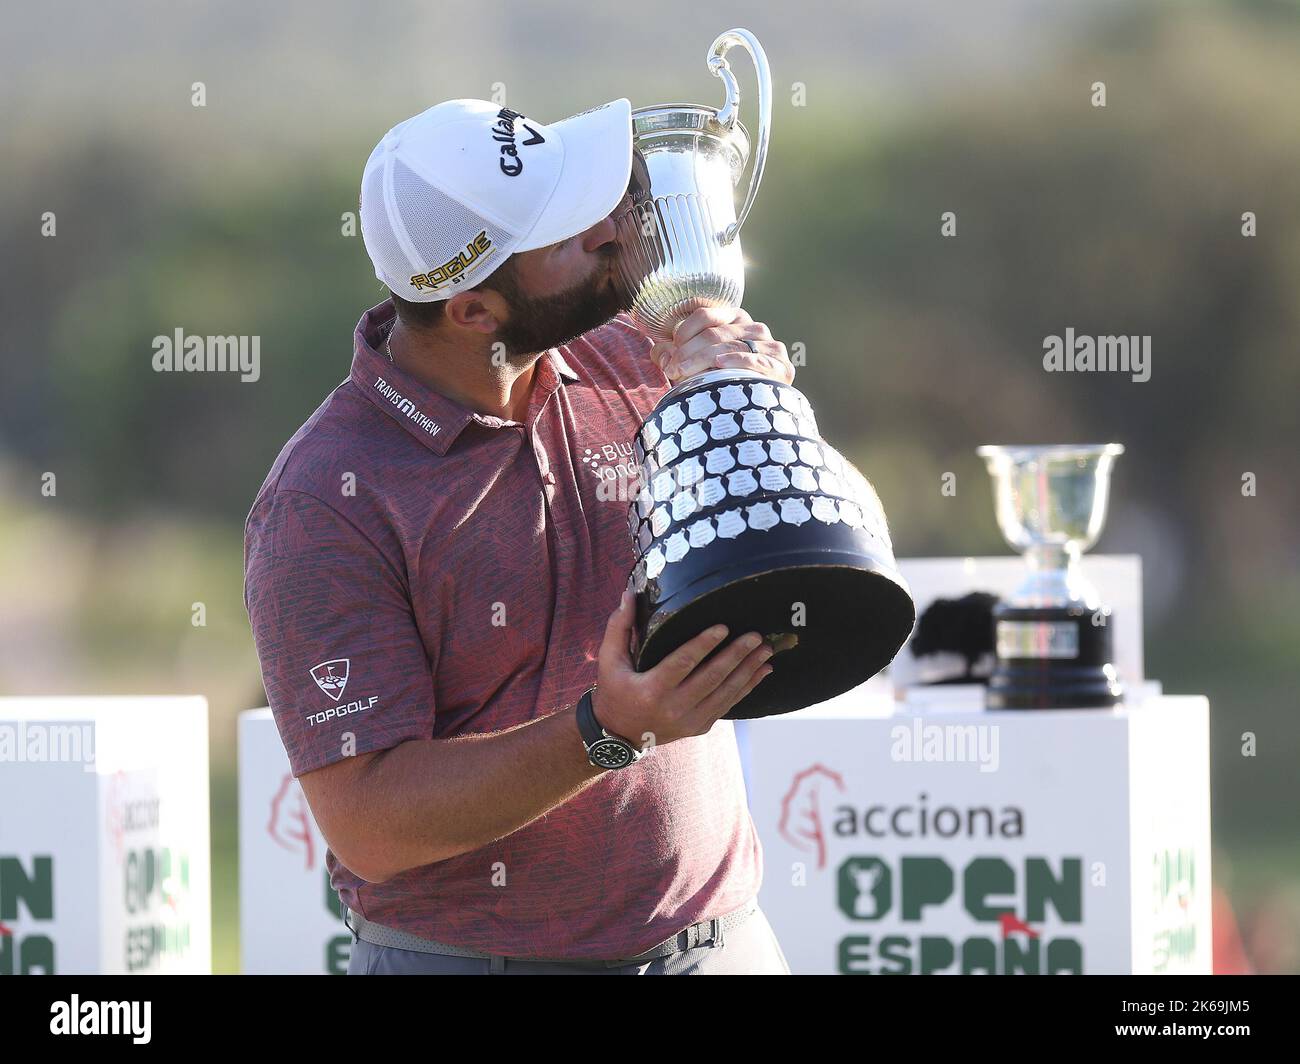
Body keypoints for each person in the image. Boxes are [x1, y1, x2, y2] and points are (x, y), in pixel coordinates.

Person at [243, 96, 797, 974]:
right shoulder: (323, 500)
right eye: (570, 230)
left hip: (719, 942)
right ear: (473, 311)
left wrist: (756, 410)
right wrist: (605, 730)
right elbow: (370, 824)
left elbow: (778, 567)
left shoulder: (635, 353)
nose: (614, 228)